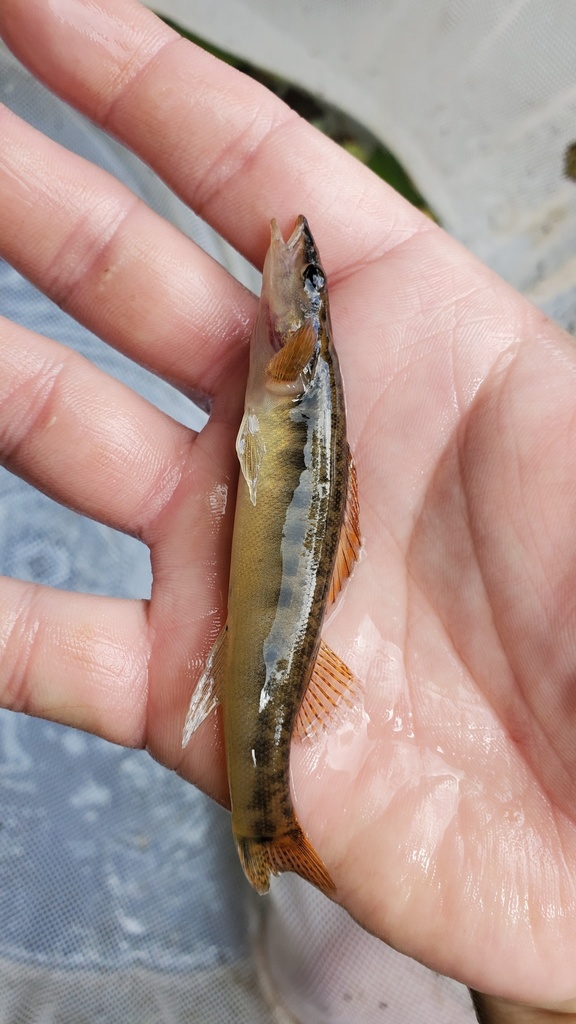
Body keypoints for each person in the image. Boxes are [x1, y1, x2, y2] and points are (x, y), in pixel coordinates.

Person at [1, 1, 576, 1021]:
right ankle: (269, 821)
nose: (293, 263)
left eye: (302, 274)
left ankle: (271, 818)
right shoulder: (295, 357)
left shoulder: (299, 353)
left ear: (299, 322)